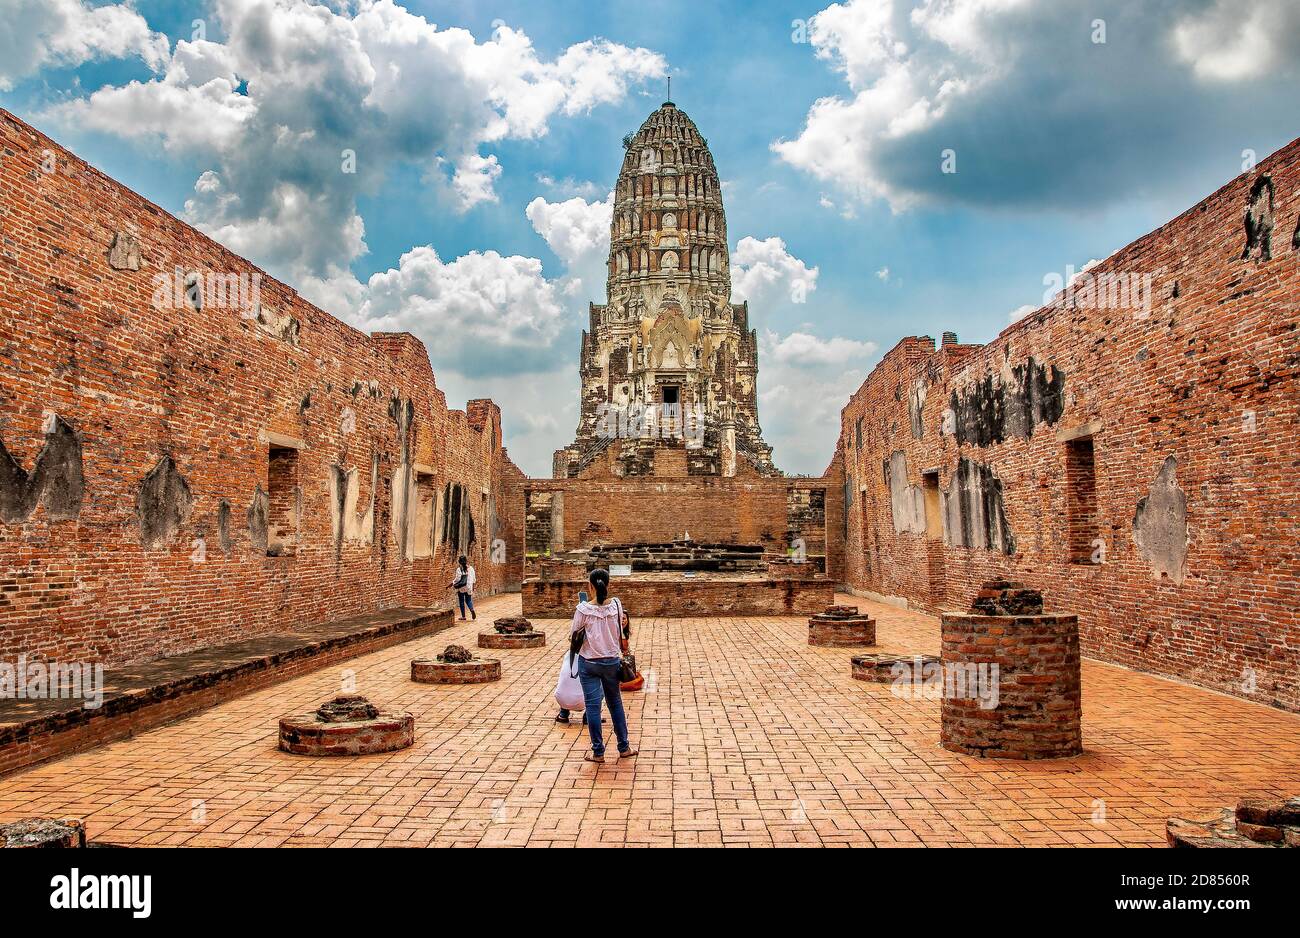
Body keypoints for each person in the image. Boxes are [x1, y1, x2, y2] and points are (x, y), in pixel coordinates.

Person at [570, 568, 637, 763]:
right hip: (611, 661)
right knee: (615, 703)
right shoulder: (615, 605)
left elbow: (573, 635)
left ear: (590, 586)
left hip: (589, 662)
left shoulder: (582, 609)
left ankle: (598, 752)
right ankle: (624, 747)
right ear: (607, 585)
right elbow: (620, 630)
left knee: (592, 707)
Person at [452, 555, 476, 620]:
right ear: (466, 561)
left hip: (462, 587)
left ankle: (463, 616)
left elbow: (457, 579)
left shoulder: (459, 569)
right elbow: (474, 578)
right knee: (468, 600)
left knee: (461, 601)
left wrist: (452, 583)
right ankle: (472, 609)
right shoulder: (471, 568)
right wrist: (473, 587)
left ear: (459, 562)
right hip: (469, 586)